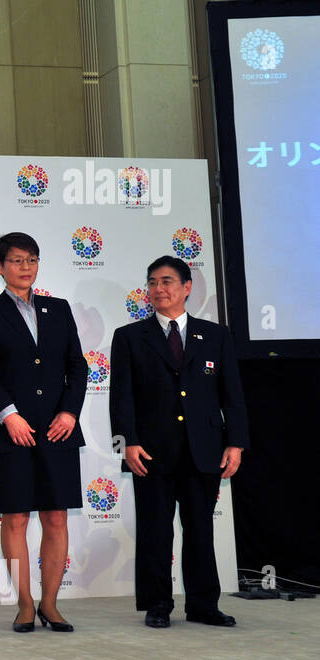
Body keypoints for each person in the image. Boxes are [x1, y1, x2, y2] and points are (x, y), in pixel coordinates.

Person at [109, 256, 247, 629]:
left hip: (203, 451)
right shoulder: (129, 337)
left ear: (187, 287)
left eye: (167, 281)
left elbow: (231, 394)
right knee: (155, 531)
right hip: (151, 452)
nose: (159, 289)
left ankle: (204, 605)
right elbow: (121, 399)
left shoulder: (215, 335)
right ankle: (157, 605)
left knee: (201, 529)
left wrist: (235, 443)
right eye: (152, 282)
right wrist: (127, 444)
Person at [0, 231, 85, 633]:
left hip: (58, 431)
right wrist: (8, 414)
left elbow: (77, 366)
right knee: (15, 518)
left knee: (55, 517)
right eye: (17, 260)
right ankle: (23, 603)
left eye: (32, 260)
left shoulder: (59, 308)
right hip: (11, 432)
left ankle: (50, 604)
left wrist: (70, 412)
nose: (25, 268)